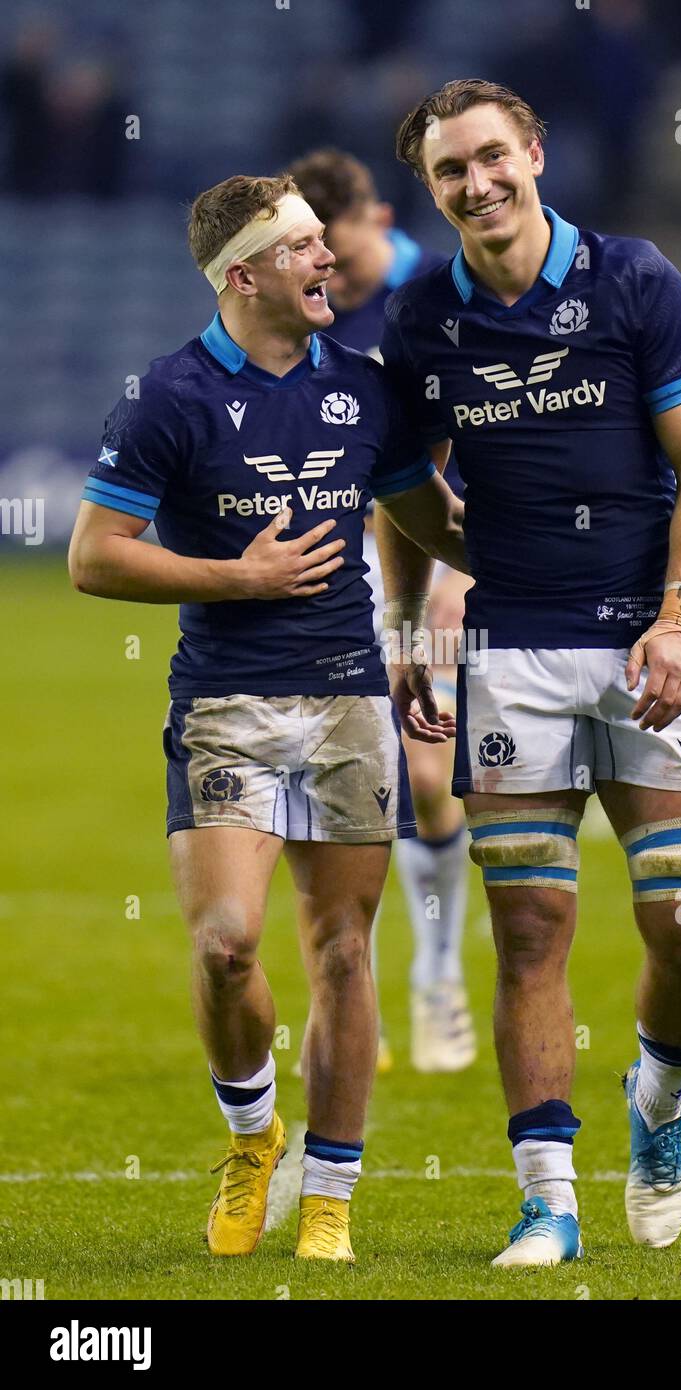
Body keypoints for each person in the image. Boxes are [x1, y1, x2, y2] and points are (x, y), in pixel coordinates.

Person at [67, 172, 466, 1264]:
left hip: (347, 694)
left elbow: (430, 522)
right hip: (226, 705)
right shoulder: (169, 395)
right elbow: (94, 557)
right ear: (244, 275)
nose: (327, 256)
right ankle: (254, 1141)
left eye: (323, 238)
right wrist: (236, 579)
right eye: (302, 245)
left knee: (343, 952)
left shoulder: (367, 388)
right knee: (226, 945)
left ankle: (329, 1198)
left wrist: (565, 571)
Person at [380, 79, 681, 1264]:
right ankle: (549, 1202)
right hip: (512, 652)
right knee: (531, 934)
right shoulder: (422, 317)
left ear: (534, 151)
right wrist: (413, 625)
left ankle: (658, 1104)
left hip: (647, 643)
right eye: (449, 172)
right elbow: (399, 485)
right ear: (430, 192)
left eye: (492, 157)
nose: (477, 184)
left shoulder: (636, 280)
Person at [289, 147, 476, 1072]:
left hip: (443, 543)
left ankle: (439, 980)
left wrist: (455, 573)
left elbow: (480, 430)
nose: (332, 272)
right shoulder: (305, 304)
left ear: (375, 218)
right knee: (339, 779)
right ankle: (342, 992)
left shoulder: (443, 295)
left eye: (342, 252)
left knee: (430, 775)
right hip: (340, 558)